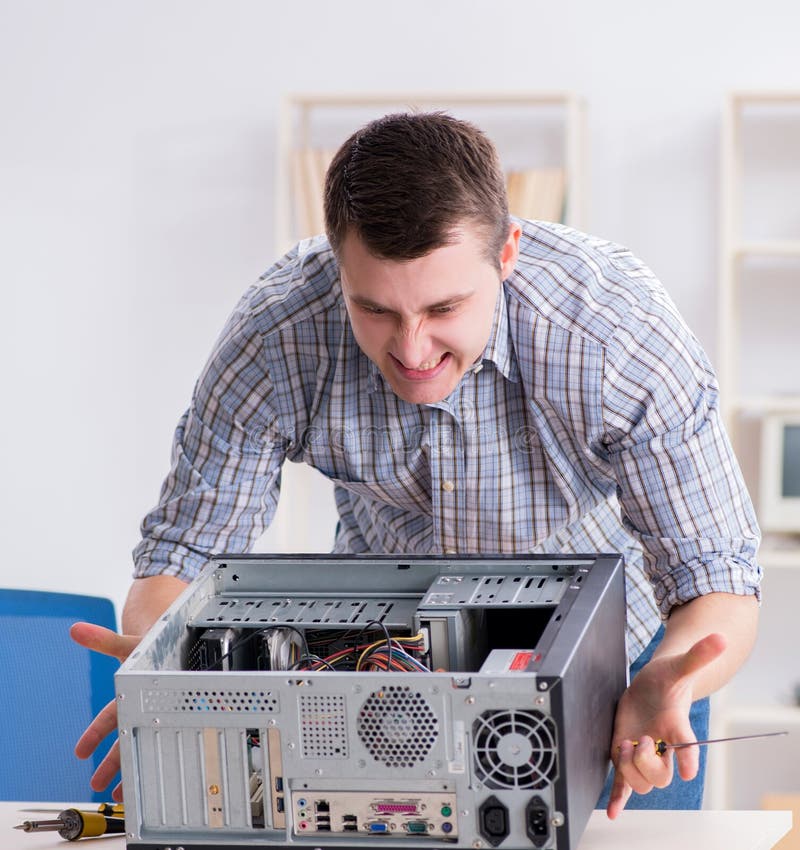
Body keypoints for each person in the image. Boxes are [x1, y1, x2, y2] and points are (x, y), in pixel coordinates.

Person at [71, 111, 761, 818]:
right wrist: (168, 677)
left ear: (509, 251)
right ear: (337, 268)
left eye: (445, 307)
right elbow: (185, 553)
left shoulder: (615, 334)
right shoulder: (279, 335)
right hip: (382, 683)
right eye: (374, 309)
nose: (413, 349)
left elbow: (718, 574)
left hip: (626, 683)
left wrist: (669, 681)